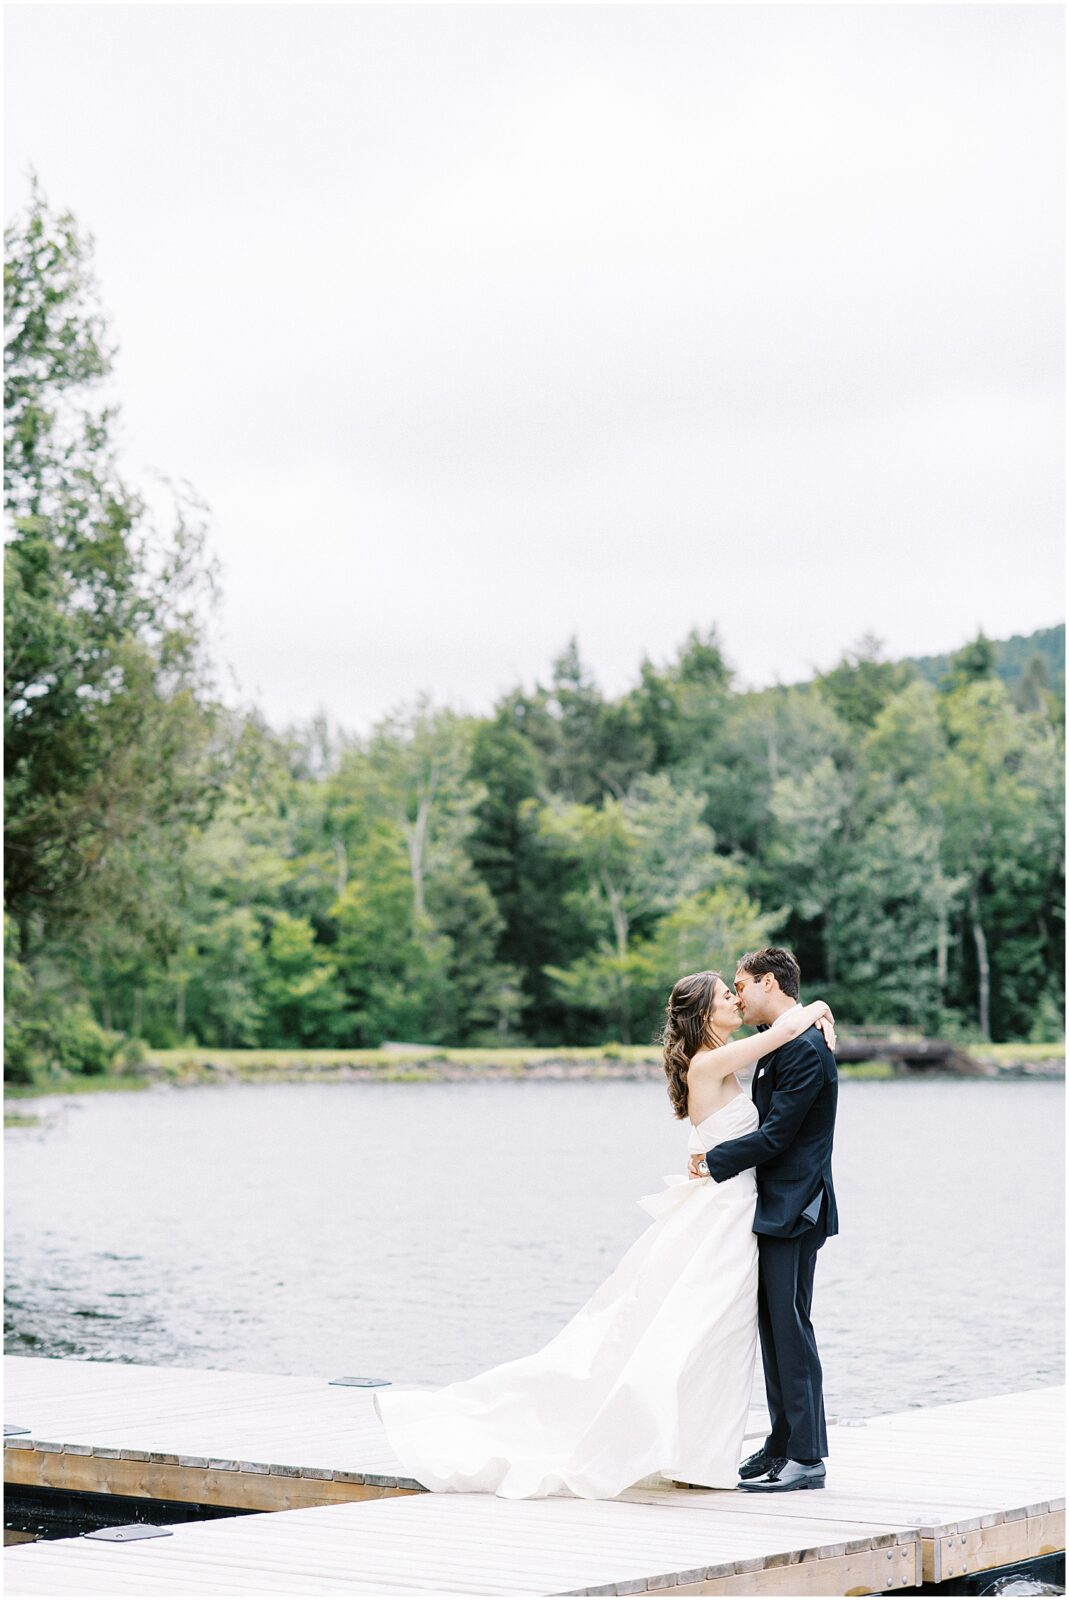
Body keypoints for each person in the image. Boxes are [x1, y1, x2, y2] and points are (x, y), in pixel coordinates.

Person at [373, 967, 836, 1500]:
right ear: (706, 1014)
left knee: (724, 1332)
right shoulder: (713, 1061)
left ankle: (732, 1449)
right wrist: (818, 1006)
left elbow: (779, 1050)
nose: (735, 999)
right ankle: (721, 1446)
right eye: (726, 995)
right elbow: (781, 1036)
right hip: (723, 1209)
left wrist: (815, 1008)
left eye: (740, 989)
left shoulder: (728, 1056)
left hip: (738, 1209)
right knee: (698, 1329)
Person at [691, 947, 838, 1494]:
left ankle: (807, 1458)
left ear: (769, 982)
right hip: (773, 1205)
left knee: (791, 1328)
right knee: (776, 1329)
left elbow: (778, 1136)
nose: (737, 993)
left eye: (741, 983)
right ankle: (782, 1445)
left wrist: (713, 1163)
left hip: (796, 1206)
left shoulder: (803, 1049)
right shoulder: (787, 1042)